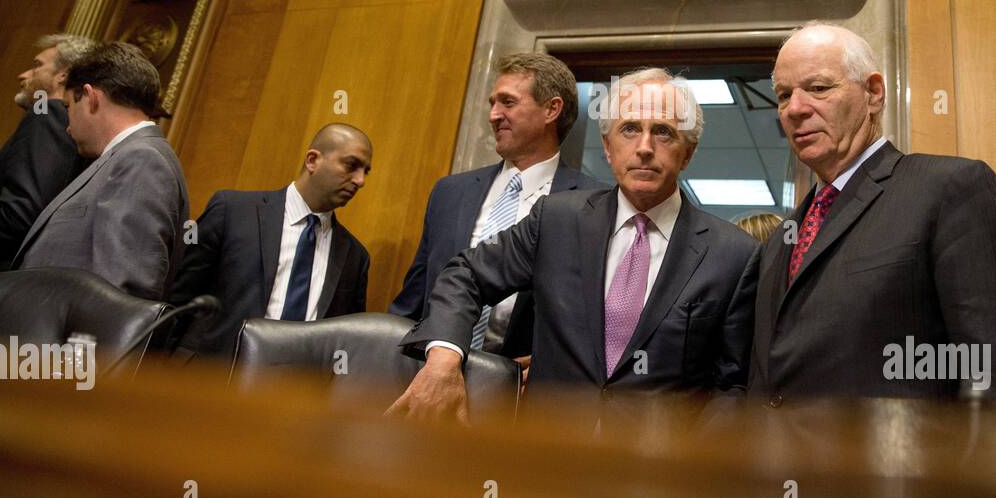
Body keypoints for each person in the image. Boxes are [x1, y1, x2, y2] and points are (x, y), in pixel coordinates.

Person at [387, 68, 759, 423]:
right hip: (547, 455)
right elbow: (466, 274)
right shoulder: (556, 220)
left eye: (663, 132)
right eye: (630, 129)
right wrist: (444, 358)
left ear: (688, 152)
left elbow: (732, 386)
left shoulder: (732, 255)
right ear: (608, 146)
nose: (645, 147)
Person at [749, 22, 996, 406]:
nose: (795, 109)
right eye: (784, 95)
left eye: (818, 88)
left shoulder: (951, 190)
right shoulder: (780, 242)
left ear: (874, 94)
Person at [387, 53, 605, 358]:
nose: (493, 115)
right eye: (492, 103)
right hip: (430, 379)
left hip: (525, 394)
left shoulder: (594, 203)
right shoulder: (450, 193)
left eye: (508, 102)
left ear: (551, 109)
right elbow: (412, 301)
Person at [169, 124, 374, 357]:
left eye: (366, 171)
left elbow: (344, 339)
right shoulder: (233, 211)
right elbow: (181, 299)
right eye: (351, 165)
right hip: (210, 377)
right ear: (312, 160)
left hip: (291, 388)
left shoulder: (355, 257)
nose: (360, 180)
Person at [13, 42, 188, 301]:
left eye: (69, 107)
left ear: (91, 97)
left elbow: (117, 297)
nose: (68, 127)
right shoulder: (128, 158)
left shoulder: (142, 161)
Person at [0, 34, 92, 271]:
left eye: (37, 65)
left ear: (63, 74)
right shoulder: (61, 119)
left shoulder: (48, 113)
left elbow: (20, 213)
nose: (23, 75)